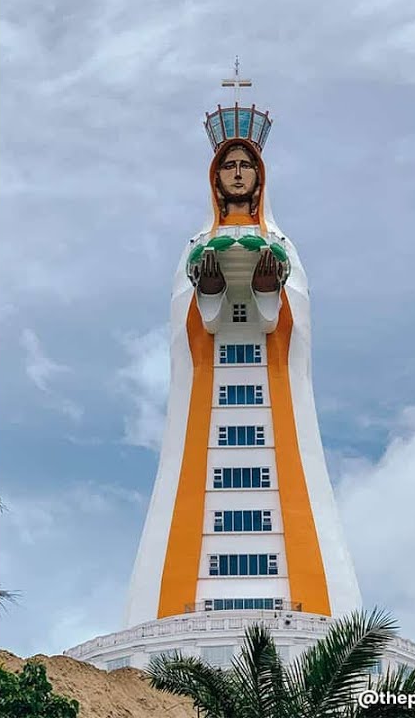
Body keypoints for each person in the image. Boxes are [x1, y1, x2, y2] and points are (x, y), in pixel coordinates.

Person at [123, 114, 361, 626]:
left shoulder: (282, 243)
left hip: (273, 387)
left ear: (259, 177)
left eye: (244, 166)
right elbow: (186, 321)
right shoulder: (195, 243)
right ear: (215, 178)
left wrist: (270, 288)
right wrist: (208, 292)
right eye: (228, 165)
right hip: (208, 387)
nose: (236, 173)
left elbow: (293, 319)